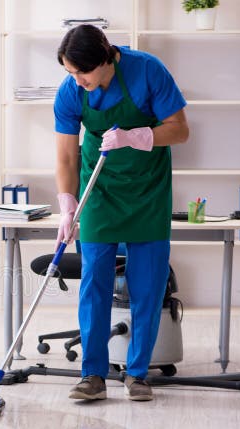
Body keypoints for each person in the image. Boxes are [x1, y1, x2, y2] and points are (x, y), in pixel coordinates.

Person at [53, 25, 189, 401]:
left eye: (82, 73)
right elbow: (66, 156)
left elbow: (180, 130)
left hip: (148, 192)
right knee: (94, 284)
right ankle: (92, 375)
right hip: (99, 192)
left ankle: (138, 374)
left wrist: (137, 136)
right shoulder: (71, 91)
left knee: (147, 285)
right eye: (70, 73)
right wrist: (67, 204)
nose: (78, 81)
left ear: (106, 59)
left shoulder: (147, 70)